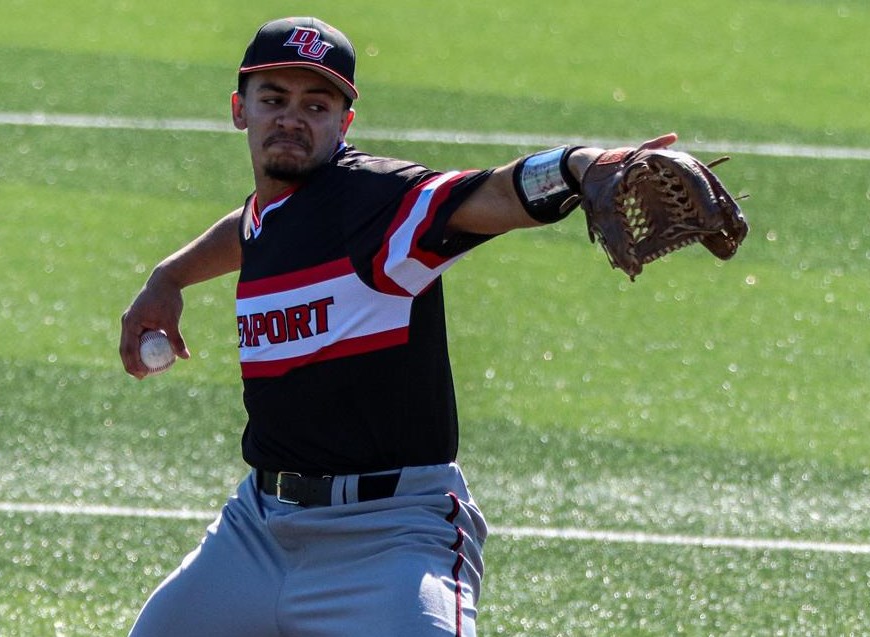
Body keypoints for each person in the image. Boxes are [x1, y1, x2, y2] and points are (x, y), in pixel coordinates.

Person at [119, 16, 676, 637]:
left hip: (389, 538)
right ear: (239, 109)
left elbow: (489, 197)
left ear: (344, 123)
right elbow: (254, 229)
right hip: (259, 530)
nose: (292, 119)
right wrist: (170, 277)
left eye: (316, 105)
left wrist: (576, 166)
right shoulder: (276, 210)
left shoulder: (377, 203)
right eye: (274, 99)